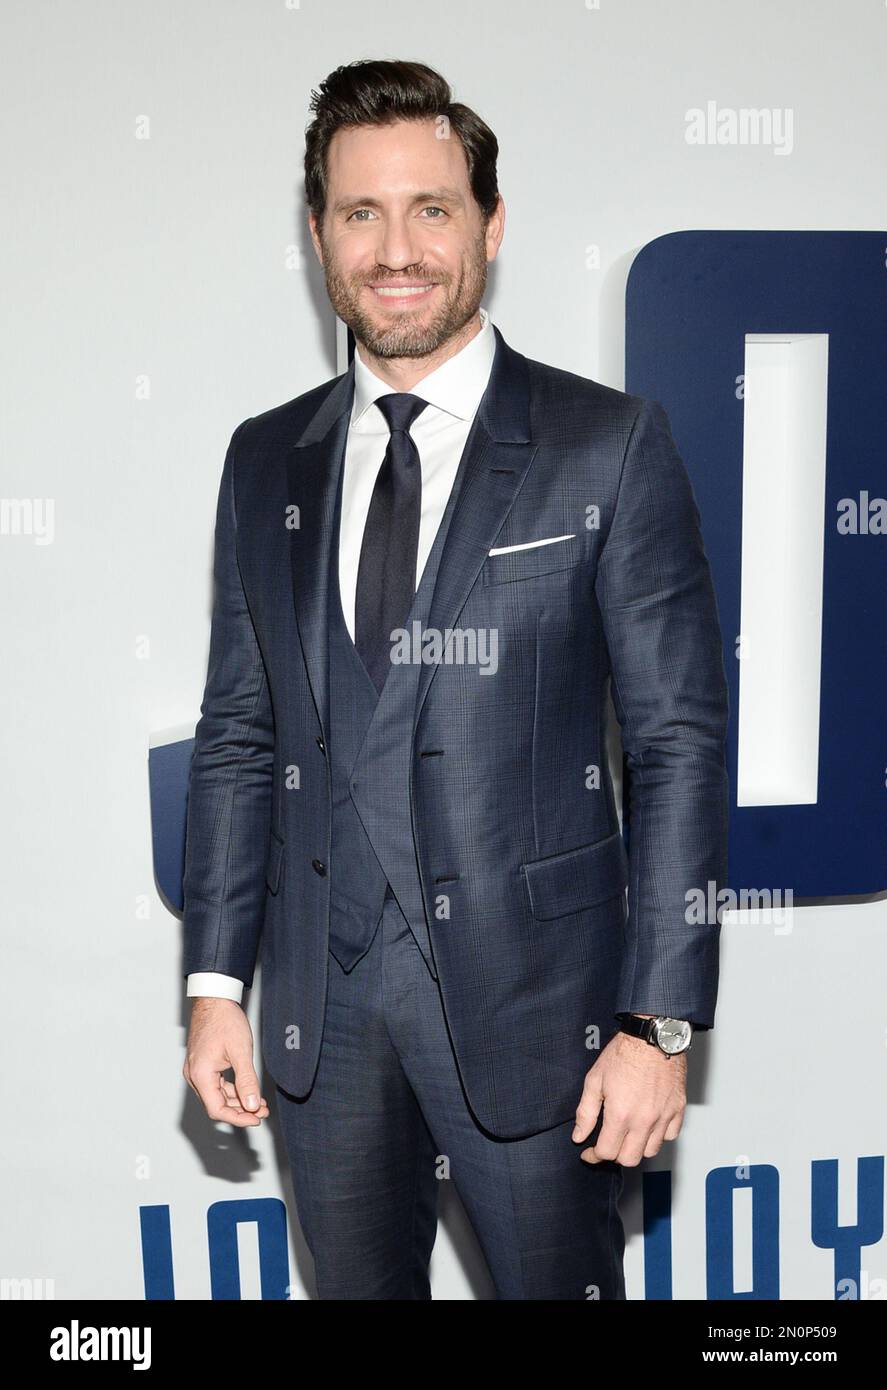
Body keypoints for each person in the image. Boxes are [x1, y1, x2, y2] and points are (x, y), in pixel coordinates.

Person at [181, 58, 729, 1300]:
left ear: (490, 222)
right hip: (321, 1023)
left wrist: (657, 1023)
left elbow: (678, 745)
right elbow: (236, 731)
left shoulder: (606, 444)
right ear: (318, 235)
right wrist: (216, 985)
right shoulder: (265, 457)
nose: (395, 248)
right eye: (358, 213)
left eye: (430, 208)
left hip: (544, 1024)